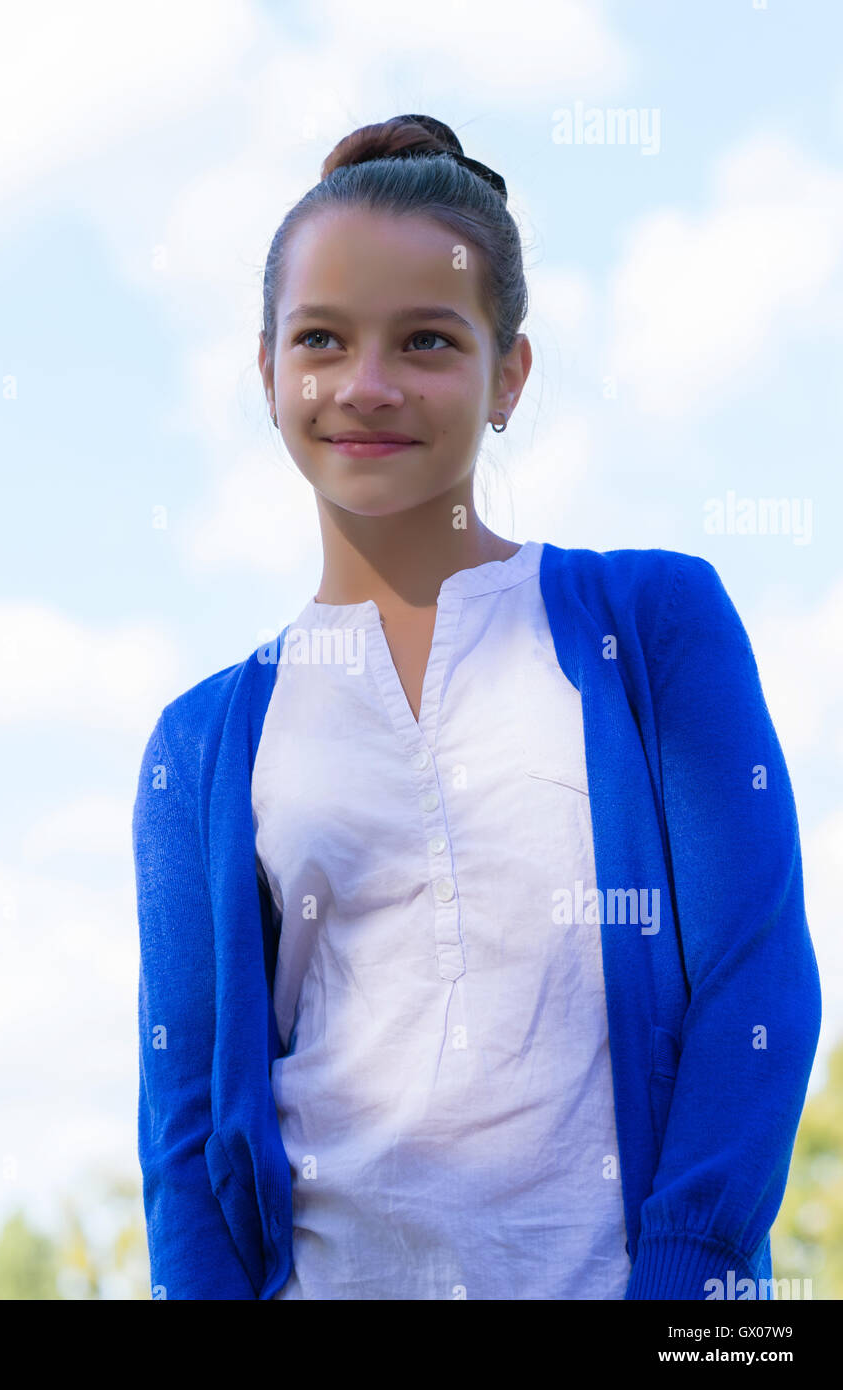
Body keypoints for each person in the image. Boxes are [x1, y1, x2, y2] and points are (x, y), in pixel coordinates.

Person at [134, 114, 821, 1301]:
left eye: (427, 341)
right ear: (266, 373)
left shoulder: (653, 625)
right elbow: (187, 1134)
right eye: (320, 339)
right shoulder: (200, 745)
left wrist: (679, 1285)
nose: (366, 385)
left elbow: (755, 987)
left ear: (508, 374)